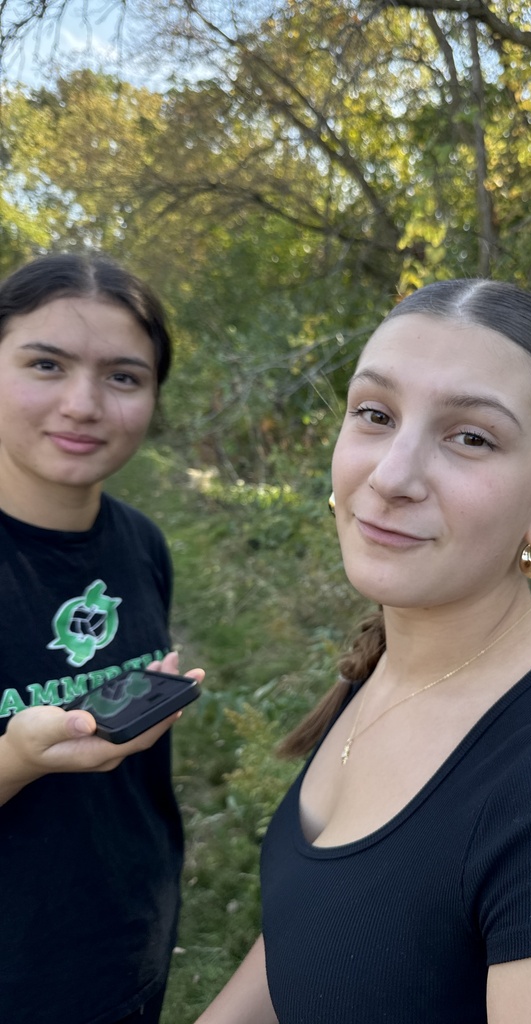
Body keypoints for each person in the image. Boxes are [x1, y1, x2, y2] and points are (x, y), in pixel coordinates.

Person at [197, 279, 531, 1024]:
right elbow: (311, 929)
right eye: (375, 415)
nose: (391, 476)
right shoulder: (385, 669)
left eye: (471, 438)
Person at [0, 253, 204, 1024]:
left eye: (123, 376)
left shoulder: (141, 544)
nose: (83, 405)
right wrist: (17, 759)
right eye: (46, 364)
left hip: (126, 950)